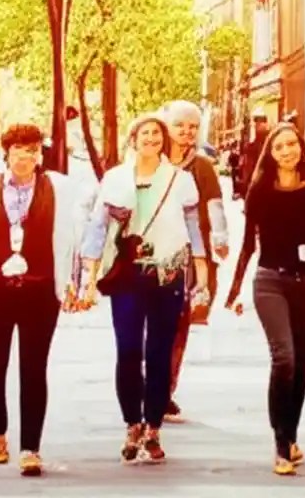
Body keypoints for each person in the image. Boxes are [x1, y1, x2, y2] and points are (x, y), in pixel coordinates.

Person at [76, 114, 210, 463]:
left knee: (160, 352)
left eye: (156, 134)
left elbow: (194, 227)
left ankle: (153, 427)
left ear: (164, 142)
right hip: (127, 275)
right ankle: (131, 423)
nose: (151, 138)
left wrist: (201, 270)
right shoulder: (115, 179)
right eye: (144, 133)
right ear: (132, 140)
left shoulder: (180, 181)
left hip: (167, 273)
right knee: (128, 350)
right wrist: (87, 276)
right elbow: (97, 227)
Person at [0, 123, 87, 477]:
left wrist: (72, 283)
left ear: (39, 154)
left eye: (32, 150)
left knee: (34, 369)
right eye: (19, 150)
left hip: (39, 293)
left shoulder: (58, 188)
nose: (26, 157)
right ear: (7, 152)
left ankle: (31, 447)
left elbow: (70, 239)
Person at [225, 122, 305, 475]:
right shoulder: (259, 191)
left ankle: (291, 437)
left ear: (301, 148)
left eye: (292, 144)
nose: (287, 151)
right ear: (270, 154)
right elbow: (248, 244)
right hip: (270, 281)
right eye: (279, 147)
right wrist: (235, 290)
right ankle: (280, 445)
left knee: (302, 364)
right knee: (284, 358)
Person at [161, 100, 230, 423]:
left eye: (192, 126)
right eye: (180, 125)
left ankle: (165, 391)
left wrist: (220, 239)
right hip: (155, 253)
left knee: (179, 324)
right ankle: (153, 386)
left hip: (193, 254)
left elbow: (214, 205)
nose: (187, 132)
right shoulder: (153, 159)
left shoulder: (201, 165)